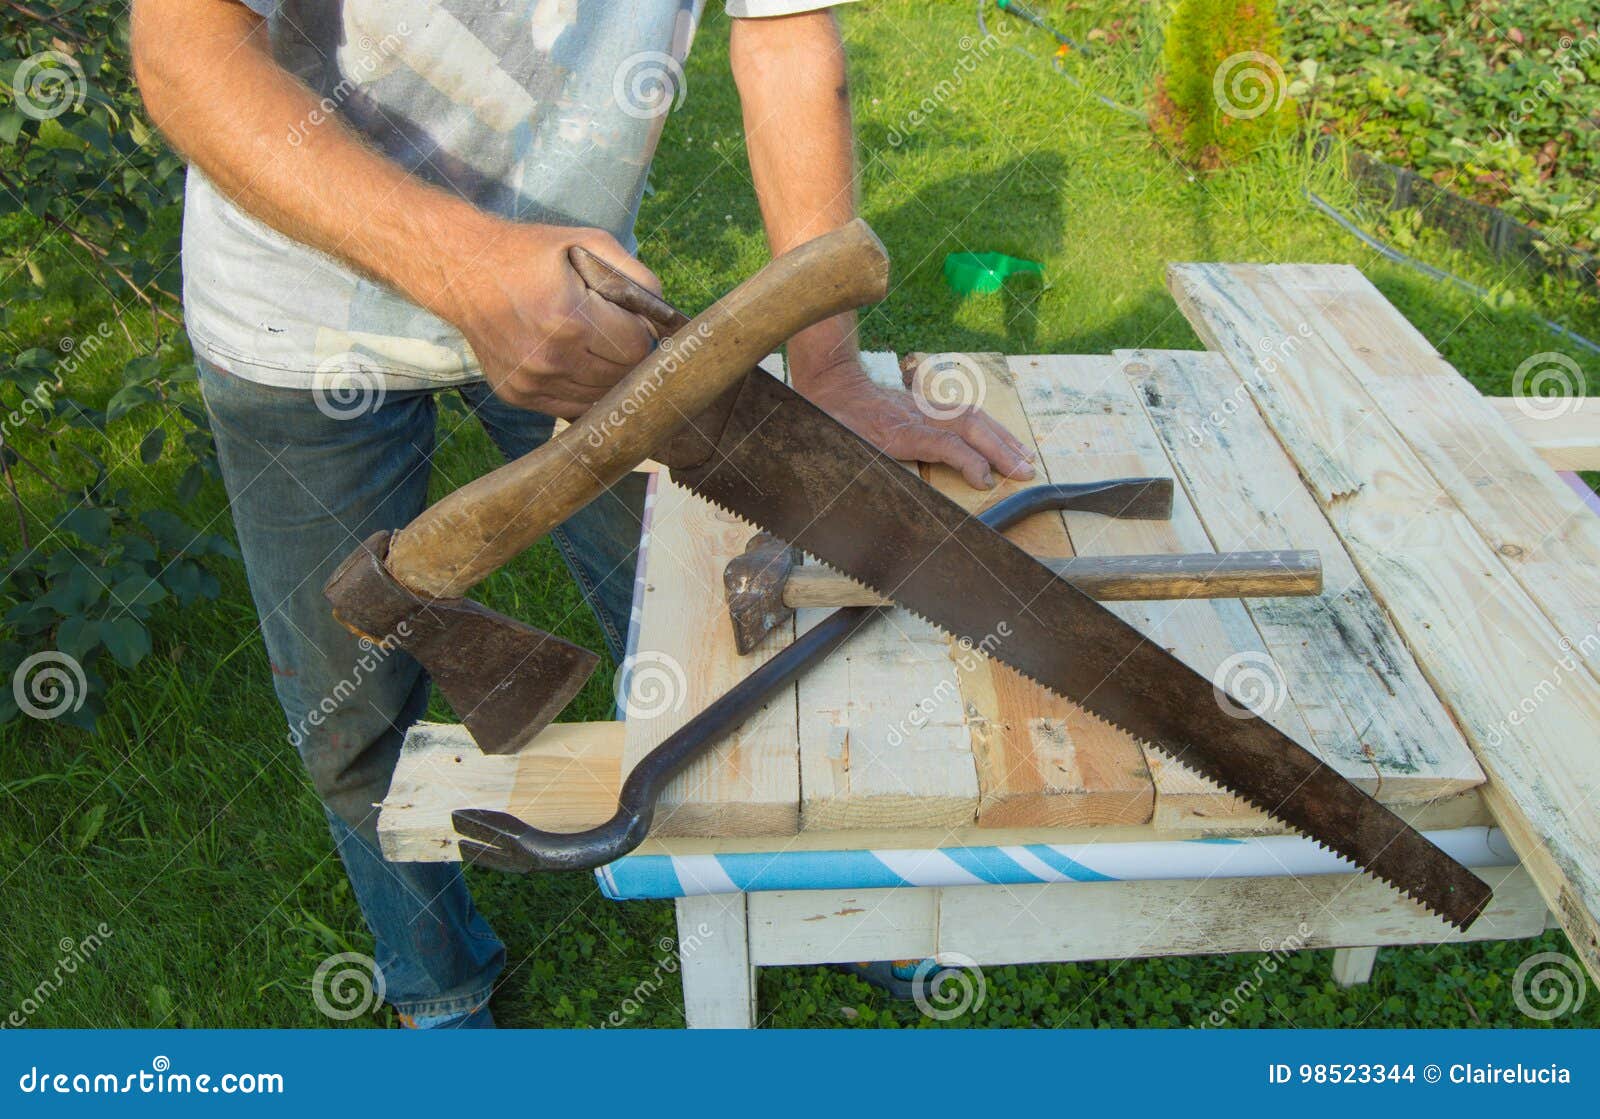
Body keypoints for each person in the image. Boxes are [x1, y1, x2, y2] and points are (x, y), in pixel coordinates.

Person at [131, 0, 1034, 1028]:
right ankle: (435, 976)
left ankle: (810, 898)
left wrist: (827, 372)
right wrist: (463, 266)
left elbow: (784, 38)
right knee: (349, 716)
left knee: (712, 638)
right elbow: (184, 46)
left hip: (581, 313)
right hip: (296, 321)